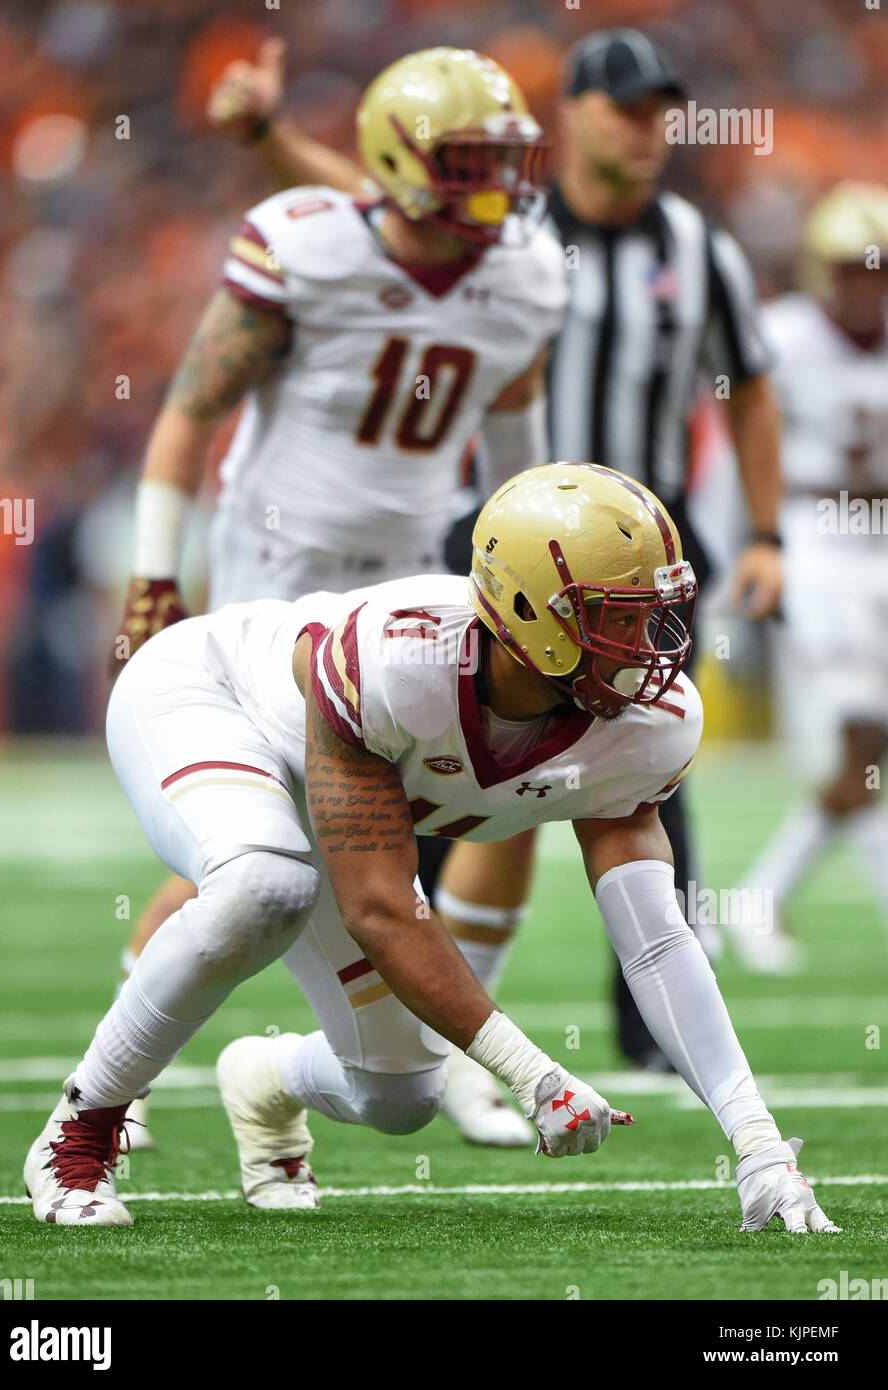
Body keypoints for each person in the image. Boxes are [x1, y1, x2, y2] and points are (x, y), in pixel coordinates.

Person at [25, 462, 839, 1237]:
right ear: (527, 613)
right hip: (213, 699)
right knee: (263, 884)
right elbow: (382, 907)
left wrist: (758, 1144)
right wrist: (535, 1076)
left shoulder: (648, 726)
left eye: (653, 611)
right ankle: (77, 1133)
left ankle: (262, 1080)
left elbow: (658, 942)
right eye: (614, 617)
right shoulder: (400, 662)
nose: (649, 644)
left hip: (331, 791)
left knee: (400, 1094)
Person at [201, 29, 786, 1072]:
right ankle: (417, 1033)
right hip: (508, 552)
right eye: (626, 109)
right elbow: (388, 209)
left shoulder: (700, 248)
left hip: (648, 553)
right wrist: (272, 140)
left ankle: (649, 1030)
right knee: (426, 768)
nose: (647, 130)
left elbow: (751, 384)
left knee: (644, 769)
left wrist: (770, 531)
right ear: (571, 118)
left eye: (661, 112)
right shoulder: (513, 229)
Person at [114, 46, 566, 1149]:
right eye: (464, 163)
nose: (490, 190)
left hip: (410, 591)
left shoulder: (523, 276)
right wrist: (153, 568)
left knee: (481, 808)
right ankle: (118, 1071)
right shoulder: (304, 248)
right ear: (398, 161)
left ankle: (437, 1055)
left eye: (500, 163)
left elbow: (515, 462)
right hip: (275, 582)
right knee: (265, 857)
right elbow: (187, 412)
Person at [729, 182, 888, 972]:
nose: (868, 283)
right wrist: (746, 548)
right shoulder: (784, 336)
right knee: (864, 733)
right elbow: (741, 442)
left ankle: (759, 901)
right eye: (855, 267)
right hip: (817, 536)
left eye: (880, 268)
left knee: (870, 747)